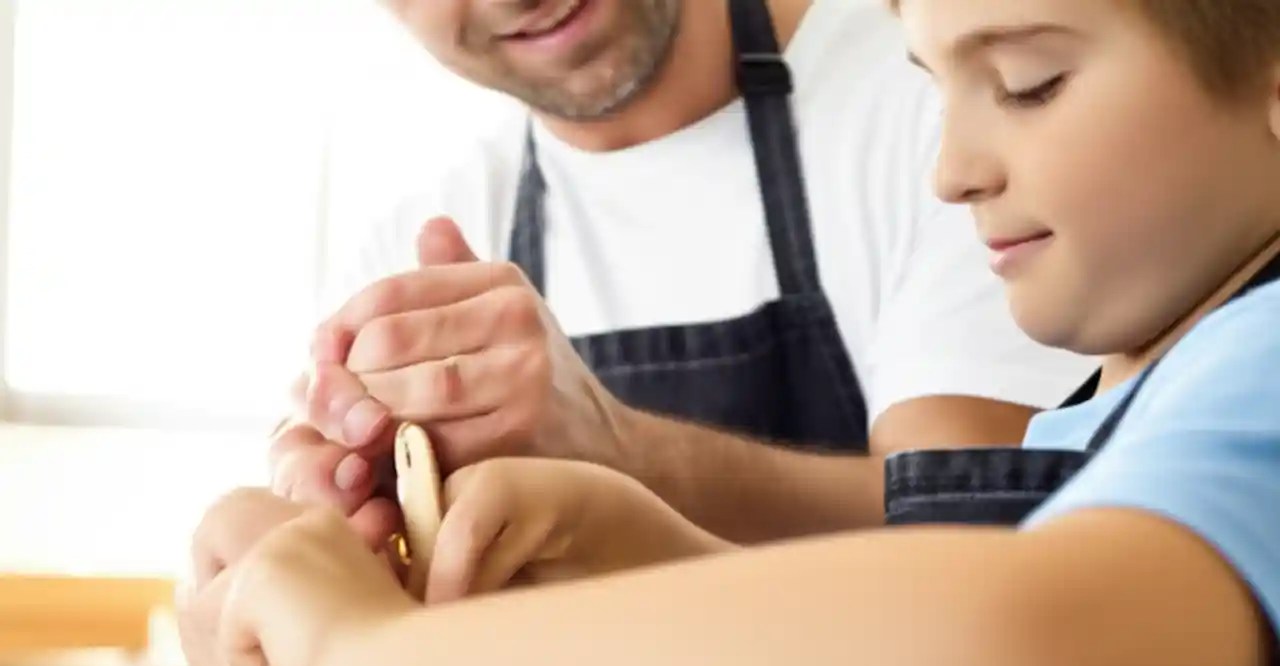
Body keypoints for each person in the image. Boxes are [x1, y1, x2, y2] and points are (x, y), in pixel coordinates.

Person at [178, 0, 1280, 666]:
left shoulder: (1253, 361)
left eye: (1032, 84)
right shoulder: (1135, 386)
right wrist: (634, 550)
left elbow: (1022, 632)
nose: (951, 171)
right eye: (935, 85)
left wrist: (359, 658)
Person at [269, 0, 1091, 551]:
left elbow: (967, 530)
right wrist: (293, 556)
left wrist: (622, 452)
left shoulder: (943, 101)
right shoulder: (426, 232)